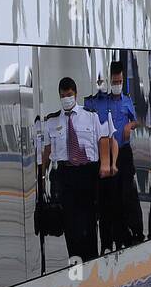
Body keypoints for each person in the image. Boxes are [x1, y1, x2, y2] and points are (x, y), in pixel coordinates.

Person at [41, 77, 113, 262]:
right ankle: (76, 265)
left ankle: (91, 263)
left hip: (87, 173)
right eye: (63, 96)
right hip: (65, 175)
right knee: (70, 224)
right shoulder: (51, 121)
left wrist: (105, 165)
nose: (66, 99)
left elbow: (103, 140)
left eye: (69, 95)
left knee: (89, 222)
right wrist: (41, 177)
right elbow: (47, 151)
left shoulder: (91, 116)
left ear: (76, 94)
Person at [86, 60, 143, 251]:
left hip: (124, 153)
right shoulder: (103, 101)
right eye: (114, 82)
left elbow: (136, 121)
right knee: (107, 198)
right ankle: (109, 240)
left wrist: (129, 126)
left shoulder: (127, 101)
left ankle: (130, 234)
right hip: (106, 154)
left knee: (126, 195)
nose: (117, 85)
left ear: (123, 80)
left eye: (119, 81)